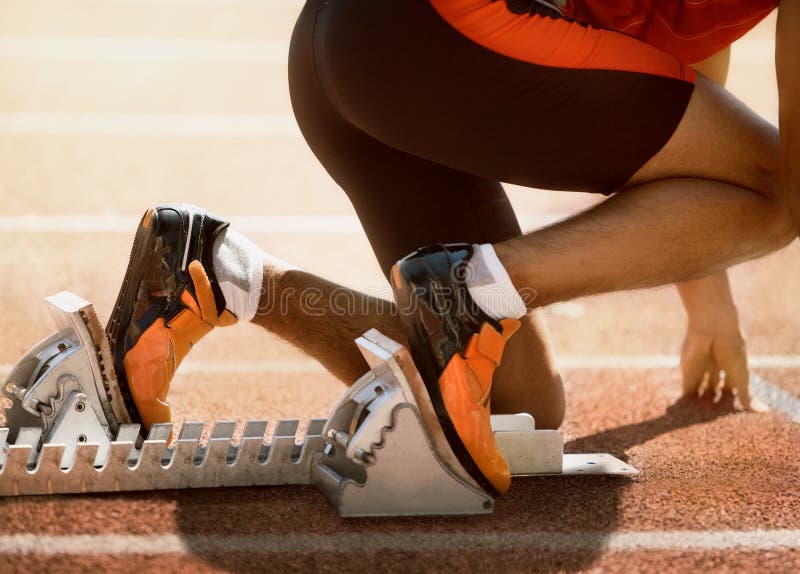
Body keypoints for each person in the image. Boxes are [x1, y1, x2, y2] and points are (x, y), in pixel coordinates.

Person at [107, 1, 798, 498]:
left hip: (345, 43)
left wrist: (709, 307)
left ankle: (215, 271)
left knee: (515, 411)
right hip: (438, 35)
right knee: (780, 191)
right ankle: (478, 291)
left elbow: (687, 61)